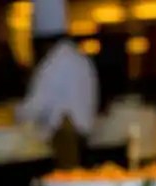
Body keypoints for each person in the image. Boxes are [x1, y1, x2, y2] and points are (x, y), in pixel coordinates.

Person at [15, 0, 99, 169]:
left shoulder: (53, 62)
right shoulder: (80, 58)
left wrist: (13, 113)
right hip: (87, 141)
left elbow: (35, 106)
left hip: (66, 143)